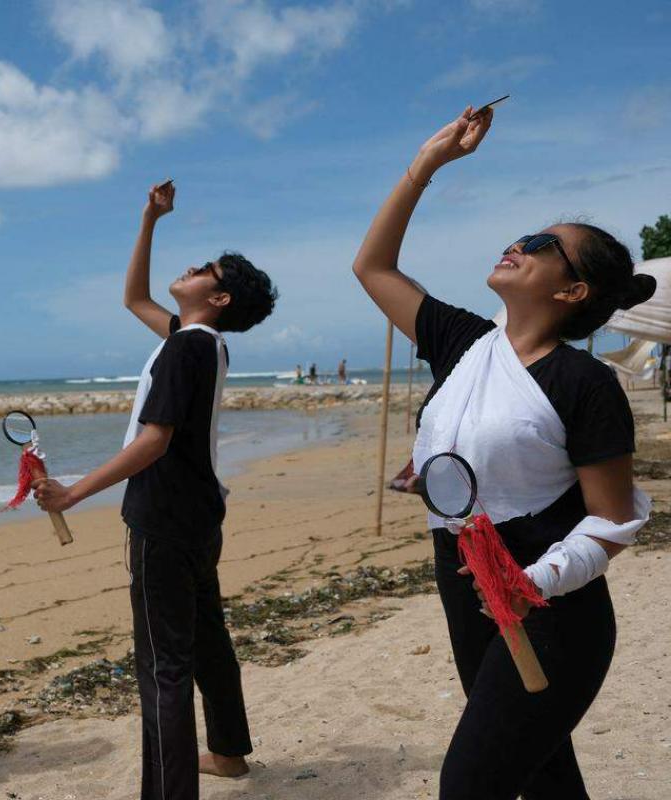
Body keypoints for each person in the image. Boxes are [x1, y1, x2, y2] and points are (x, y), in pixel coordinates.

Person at [353, 105, 654, 800]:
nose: (517, 244)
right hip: (464, 589)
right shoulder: (463, 346)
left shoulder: (585, 383)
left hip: (551, 610)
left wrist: (534, 582)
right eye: (524, 234)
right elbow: (372, 266)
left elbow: (612, 519)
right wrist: (427, 165)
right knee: (544, 778)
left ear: (571, 290)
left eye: (541, 244)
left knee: (468, 784)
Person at [34, 180, 278, 800]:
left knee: (164, 666)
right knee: (207, 640)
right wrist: (150, 219)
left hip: (164, 520)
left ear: (218, 297)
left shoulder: (183, 350)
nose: (193, 267)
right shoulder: (203, 343)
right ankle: (227, 752)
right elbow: (133, 296)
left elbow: (152, 442)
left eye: (208, 271)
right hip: (200, 515)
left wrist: (71, 494)